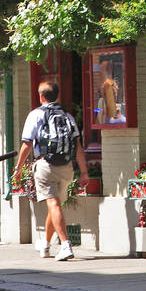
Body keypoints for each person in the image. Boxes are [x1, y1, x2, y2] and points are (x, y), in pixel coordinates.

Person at [16, 81, 90, 261]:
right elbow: (77, 146)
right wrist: (84, 172)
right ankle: (46, 244)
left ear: (40, 96)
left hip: (45, 166)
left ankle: (65, 245)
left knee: (54, 205)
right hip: (66, 167)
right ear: (57, 95)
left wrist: (18, 168)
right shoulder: (67, 116)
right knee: (54, 205)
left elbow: (27, 144)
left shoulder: (36, 115)